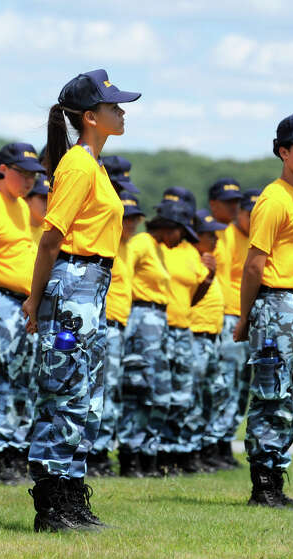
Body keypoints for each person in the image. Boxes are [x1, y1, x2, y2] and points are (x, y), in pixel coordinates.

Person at [22, 69, 139, 532]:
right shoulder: (76, 164)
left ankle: (71, 496)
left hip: (90, 286)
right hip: (72, 282)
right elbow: (51, 238)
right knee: (65, 393)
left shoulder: (93, 164)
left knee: (86, 398)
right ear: (91, 117)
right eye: (114, 107)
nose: (122, 112)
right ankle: (51, 505)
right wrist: (35, 299)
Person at [233, 111, 293, 508]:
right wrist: (245, 317)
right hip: (276, 303)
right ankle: (264, 484)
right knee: (272, 393)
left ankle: (275, 472)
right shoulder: (273, 199)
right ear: (282, 151)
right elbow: (254, 262)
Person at [0, 142, 45, 482]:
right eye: (23, 173)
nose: (30, 180)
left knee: (19, 378)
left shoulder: (18, 207)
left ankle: (12, 447)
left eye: (33, 175)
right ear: (2, 170)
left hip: (21, 304)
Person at [117, 201, 186, 478]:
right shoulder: (141, 243)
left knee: (158, 391)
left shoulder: (157, 248)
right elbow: (122, 274)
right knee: (139, 388)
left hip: (157, 323)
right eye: (179, 231)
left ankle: (147, 453)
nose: (180, 239)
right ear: (168, 229)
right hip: (142, 319)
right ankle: (130, 455)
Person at [159, 187, 213, 474]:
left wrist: (210, 275)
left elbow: (198, 288)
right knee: (159, 392)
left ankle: (179, 452)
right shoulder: (153, 245)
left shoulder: (190, 251)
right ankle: (157, 453)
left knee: (184, 393)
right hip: (159, 327)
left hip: (182, 328)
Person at [89, 191, 144, 476]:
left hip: (120, 325)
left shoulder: (129, 248)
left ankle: (101, 450)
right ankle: (95, 453)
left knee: (113, 390)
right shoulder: (108, 243)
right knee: (103, 389)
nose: (132, 224)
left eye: (136, 219)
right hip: (106, 323)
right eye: (127, 218)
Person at [208, 187, 259, 468]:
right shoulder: (225, 236)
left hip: (248, 318)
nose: (251, 219)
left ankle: (226, 440)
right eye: (247, 213)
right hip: (230, 316)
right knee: (226, 382)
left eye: (255, 214)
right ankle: (215, 443)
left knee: (241, 386)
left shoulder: (257, 239)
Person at [187, 210, 227, 471]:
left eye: (215, 234)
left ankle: (206, 448)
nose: (214, 239)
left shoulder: (208, 260)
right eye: (208, 234)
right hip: (196, 334)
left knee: (214, 393)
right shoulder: (191, 260)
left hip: (212, 337)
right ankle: (191, 453)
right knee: (195, 396)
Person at [26, 172, 50, 243]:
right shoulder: (17, 230)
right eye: (43, 198)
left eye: (50, 198)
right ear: (28, 199)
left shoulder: (51, 231)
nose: (48, 203)